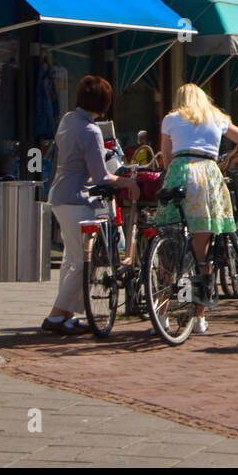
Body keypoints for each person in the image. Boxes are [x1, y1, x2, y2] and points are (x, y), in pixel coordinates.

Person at [44, 76, 140, 334]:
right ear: (104, 103)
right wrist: (127, 182)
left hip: (59, 196)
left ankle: (67, 315)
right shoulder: (91, 131)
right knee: (79, 261)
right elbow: (101, 176)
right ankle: (55, 316)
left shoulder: (67, 120)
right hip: (78, 199)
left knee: (70, 259)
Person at [157, 83, 238, 333]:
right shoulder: (216, 117)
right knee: (202, 252)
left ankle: (162, 313)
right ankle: (198, 318)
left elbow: (166, 159)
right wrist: (228, 160)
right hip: (208, 175)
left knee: (170, 248)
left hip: (180, 172)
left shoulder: (171, 119)